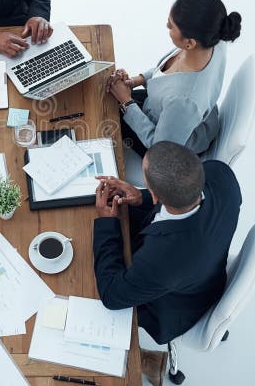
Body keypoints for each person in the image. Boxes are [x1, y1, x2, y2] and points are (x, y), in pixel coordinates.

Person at [92, 141, 241, 345]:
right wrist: (140, 198)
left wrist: (107, 223)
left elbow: (111, 295)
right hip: (203, 271)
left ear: (156, 195)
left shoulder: (161, 261)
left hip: (169, 305)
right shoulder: (222, 175)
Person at [107, 0, 242, 156]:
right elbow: (164, 73)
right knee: (107, 92)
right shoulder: (211, 40)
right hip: (171, 114)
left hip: (168, 146)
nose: (167, 26)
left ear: (190, 43)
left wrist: (126, 101)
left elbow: (159, 148)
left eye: (171, 25)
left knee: (102, 118)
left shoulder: (183, 101)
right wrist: (136, 81)